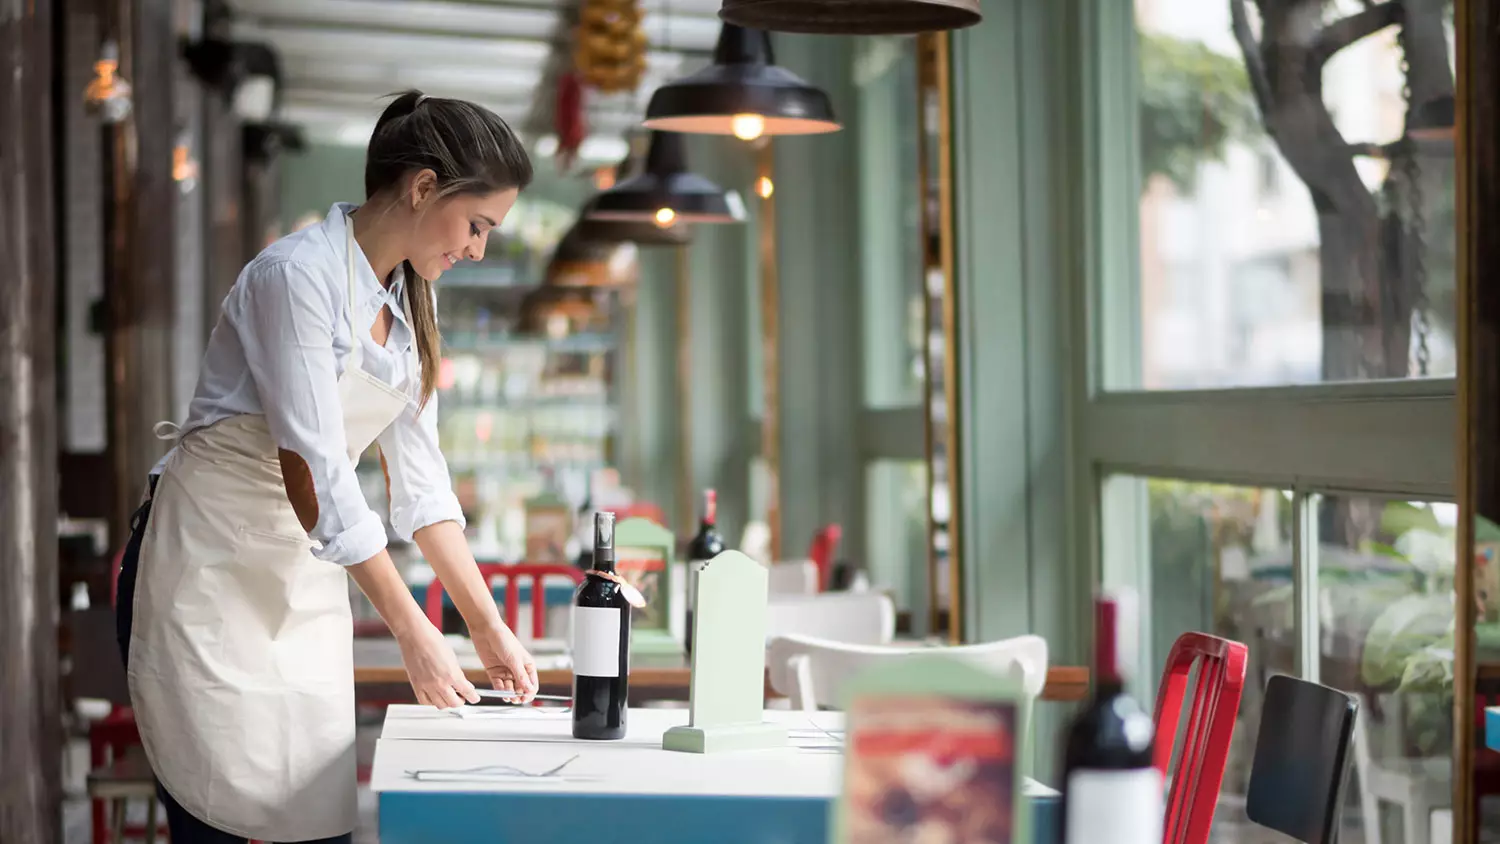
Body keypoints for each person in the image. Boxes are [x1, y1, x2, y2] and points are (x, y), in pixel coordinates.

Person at [113, 90, 538, 844]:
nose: (477, 248)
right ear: (422, 187)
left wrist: (486, 626)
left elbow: (423, 490)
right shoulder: (294, 278)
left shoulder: (407, 312)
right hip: (208, 574)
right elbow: (314, 471)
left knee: (315, 822)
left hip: (301, 582)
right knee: (226, 821)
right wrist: (412, 630)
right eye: (477, 225)